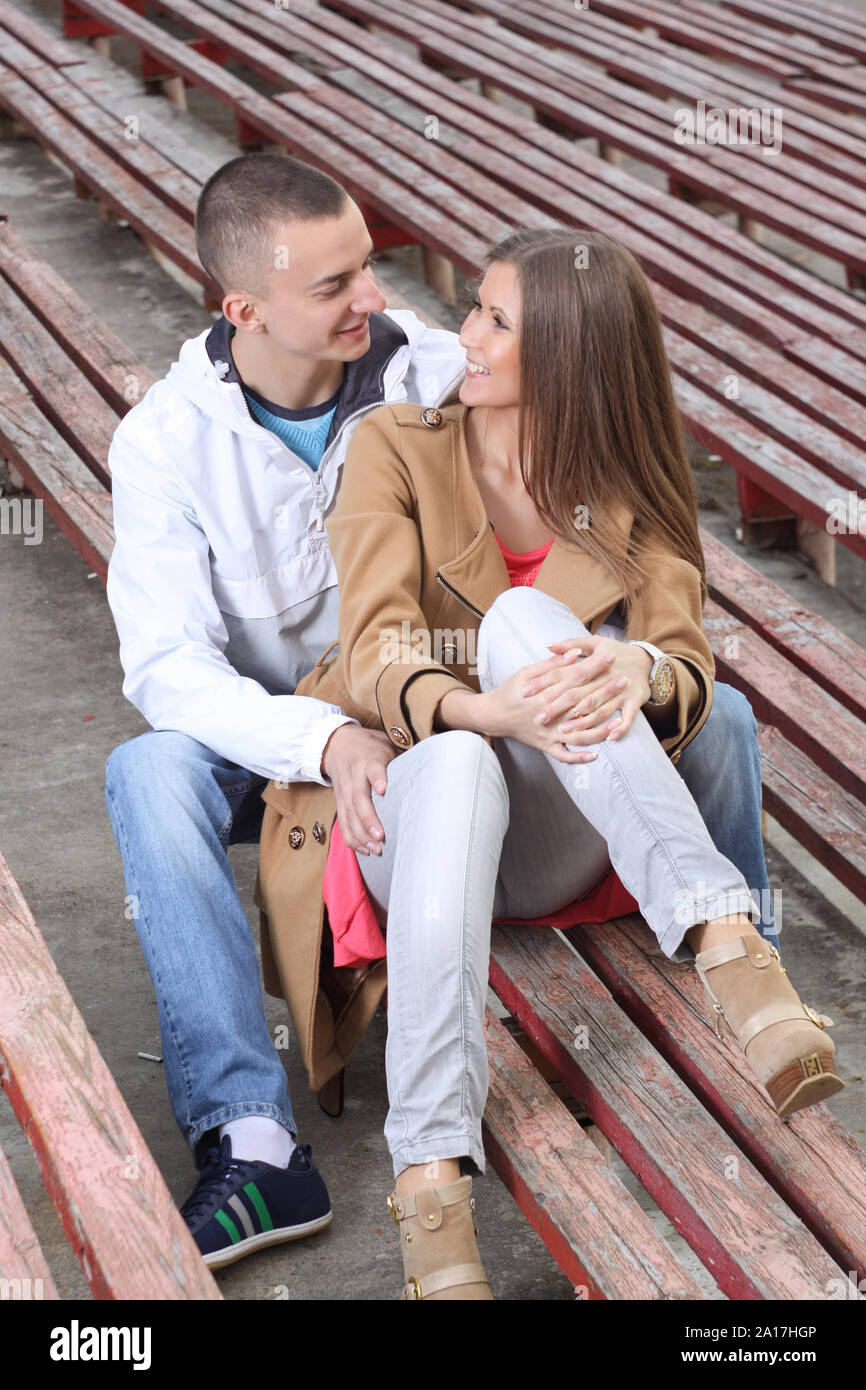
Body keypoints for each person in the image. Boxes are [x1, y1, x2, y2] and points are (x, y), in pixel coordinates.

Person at [104, 148, 774, 1271]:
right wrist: (327, 736)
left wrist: (614, 650)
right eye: (335, 286)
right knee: (146, 770)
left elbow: (574, 451)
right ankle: (251, 1138)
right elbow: (169, 671)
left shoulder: (423, 364)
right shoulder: (165, 443)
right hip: (276, 733)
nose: (377, 298)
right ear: (243, 308)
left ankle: (729, 975)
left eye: (368, 264)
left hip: (449, 720)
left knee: (703, 711)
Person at [255, 228, 844, 1301]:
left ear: (568, 357)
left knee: (546, 627)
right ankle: (431, 1174)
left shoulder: (627, 480)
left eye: (491, 320)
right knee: (467, 753)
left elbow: (683, 657)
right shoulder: (396, 444)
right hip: (421, 820)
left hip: (563, 832)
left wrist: (635, 668)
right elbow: (376, 644)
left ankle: (721, 938)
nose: (461, 338)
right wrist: (481, 710)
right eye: (475, 309)